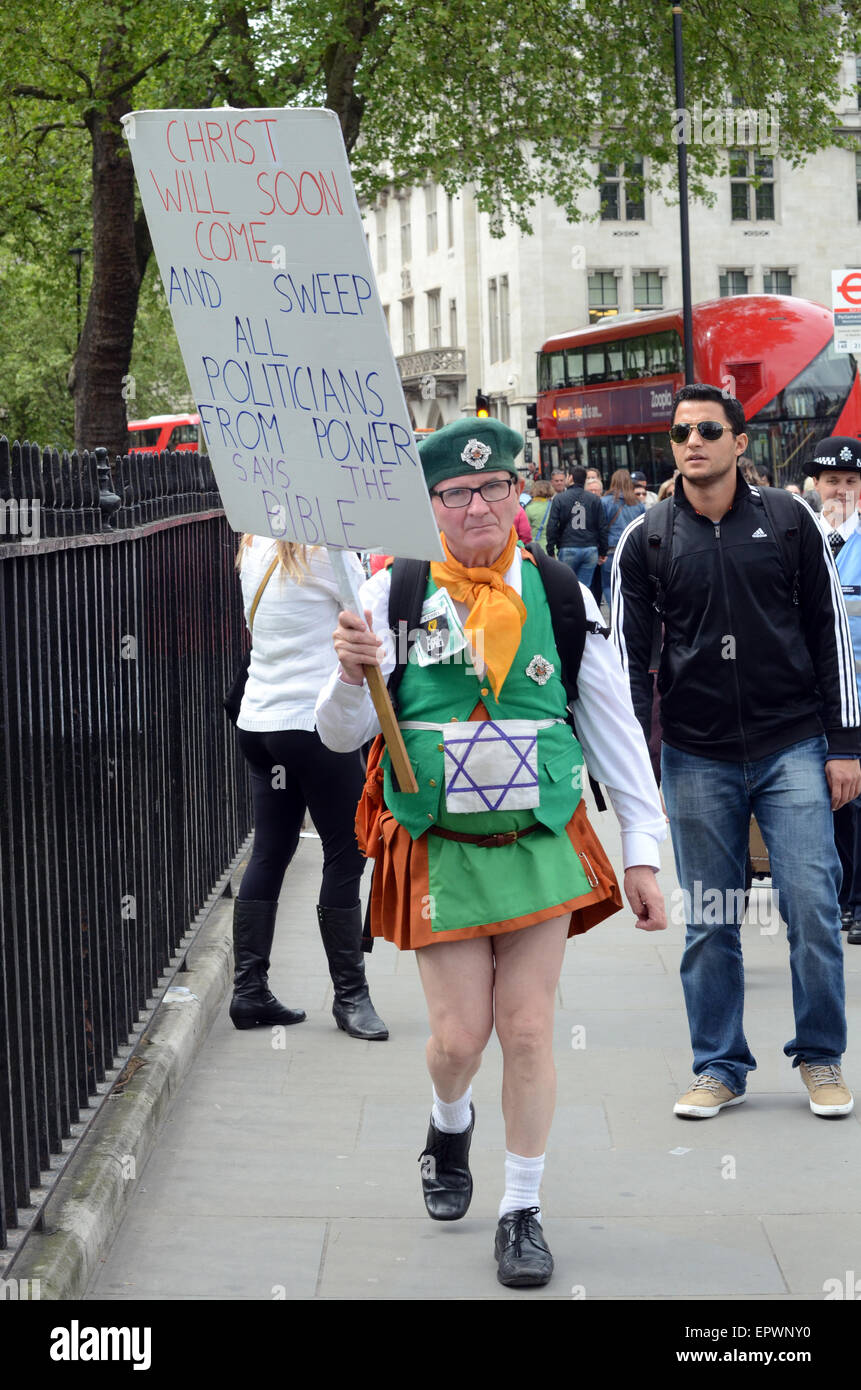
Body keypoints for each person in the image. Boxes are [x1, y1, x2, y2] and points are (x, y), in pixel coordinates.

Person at [316, 417, 667, 1289]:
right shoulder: (389, 592)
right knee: (458, 1039)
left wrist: (643, 848)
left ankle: (520, 1209)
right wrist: (349, 673)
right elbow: (338, 735)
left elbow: (615, 729)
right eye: (456, 493)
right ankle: (447, 1118)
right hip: (437, 844)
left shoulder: (558, 593)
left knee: (529, 1027)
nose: (478, 505)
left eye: (495, 488)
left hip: (538, 838)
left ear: (521, 494)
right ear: (429, 504)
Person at [612, 383, 861, 1120]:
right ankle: (719, 1065)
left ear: (739, 442)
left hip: (791, 743)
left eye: (708, 430)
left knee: (813, 904)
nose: (693, 441)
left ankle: (820, 1057)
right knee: (709, 917)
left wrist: (844, 743)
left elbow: (829, 636)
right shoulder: (646, 537)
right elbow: (625, 664)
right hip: (695, 754)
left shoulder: (787, 523)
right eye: (681, 431)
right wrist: (633, 767)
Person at [231, 536, 387, 1040]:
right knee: (348, 852)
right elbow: (366, 626)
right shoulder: (330, 553)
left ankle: (249, 991)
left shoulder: (252, 547)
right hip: (312, 725)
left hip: (259, 722)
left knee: (270, 852)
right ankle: (351, 998)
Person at [806, 438, 861, 946]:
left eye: (850, 482)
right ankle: (839, 897)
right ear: (815, 486)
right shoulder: (801, 539)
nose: (840, 490)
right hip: (814, 698)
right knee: (828, 799)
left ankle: (859, 901)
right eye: (831, 481)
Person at [545, 464, 608, 589]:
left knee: (566, 588)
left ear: (571, 478)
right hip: (590, 547)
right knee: (584, 589)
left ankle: (569, 609)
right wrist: (603, 551)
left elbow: (552, 526)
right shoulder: (594, 499)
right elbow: (602, 526)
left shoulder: (560, 499)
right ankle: (583, 608)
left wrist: (551, 550)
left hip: (568, 546)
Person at [600, 468, 645, 605]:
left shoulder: (605, 502)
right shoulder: (638, 504)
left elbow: (601, 528)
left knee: (609, 585)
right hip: (634, 551)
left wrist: (601, 551)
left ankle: (615, 615)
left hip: (611, 550)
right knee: (632, 586)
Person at [523, 478, 554, 550]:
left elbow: (526, 530)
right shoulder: (553, 506)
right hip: (551, 546)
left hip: (535, 547)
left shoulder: (529, 508)